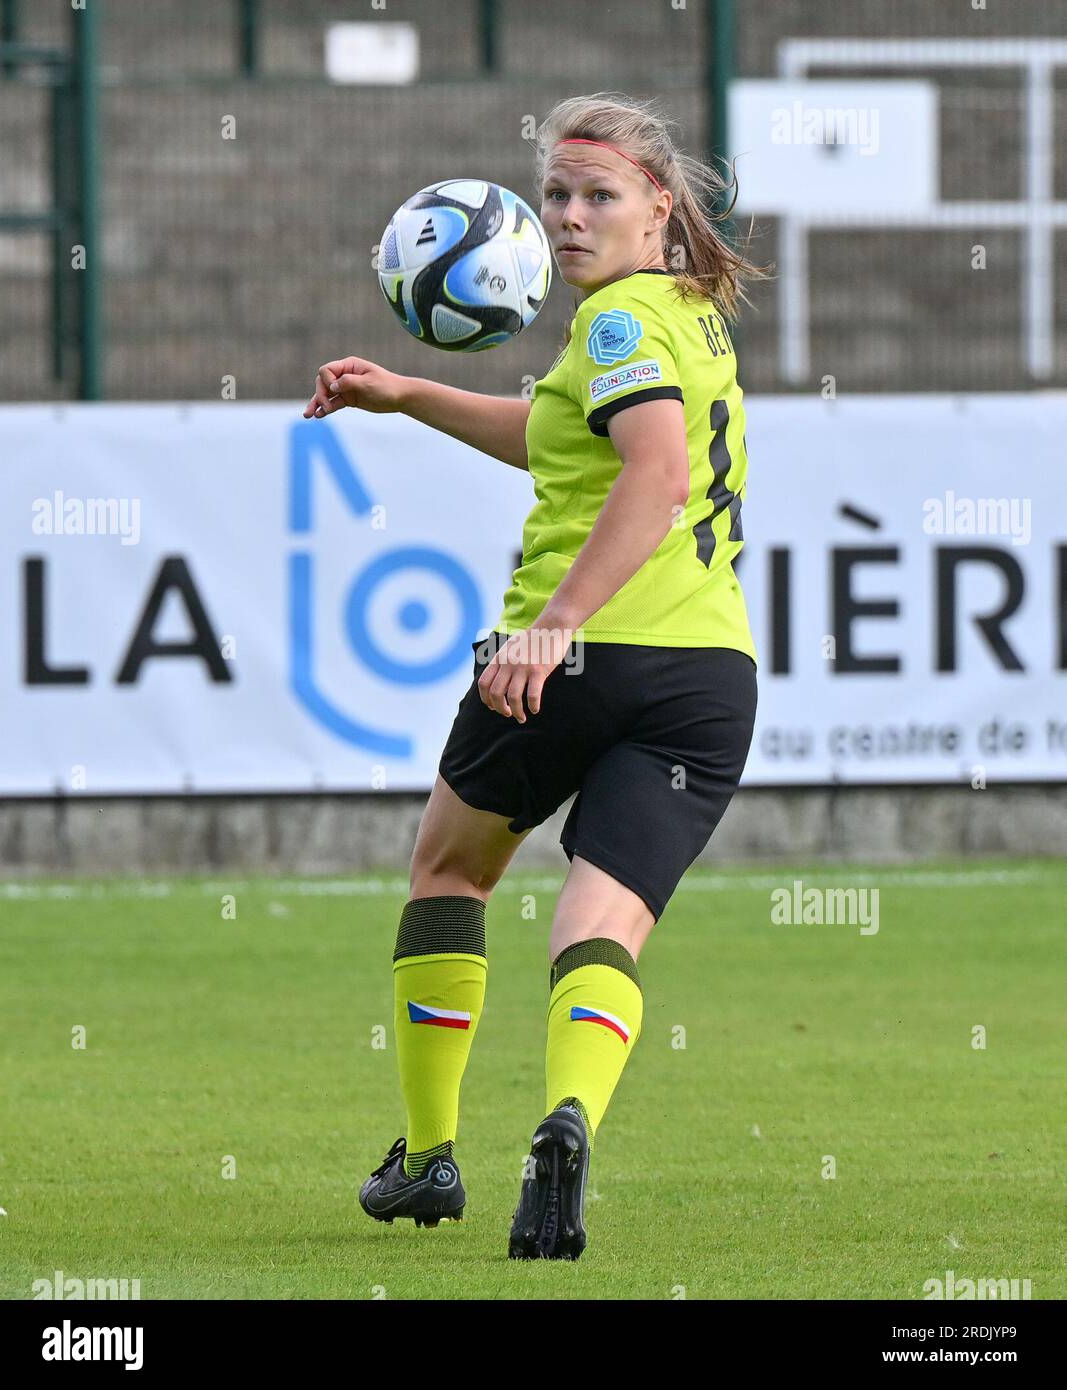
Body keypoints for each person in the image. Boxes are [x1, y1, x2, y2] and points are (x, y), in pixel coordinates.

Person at [302, 91, 771, 1260]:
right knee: (598, 918)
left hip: (565, 660)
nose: (565, 217)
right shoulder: (681, 316)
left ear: (658, 205)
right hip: (706, 675)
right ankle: (566, 1118)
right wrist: (408, 396)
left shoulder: (616, 325)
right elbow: (560, 435)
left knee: (449, 867)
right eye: (555, 194)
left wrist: (553, 624)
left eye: (595, 195)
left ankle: (425, 1157)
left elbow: (653, 477)